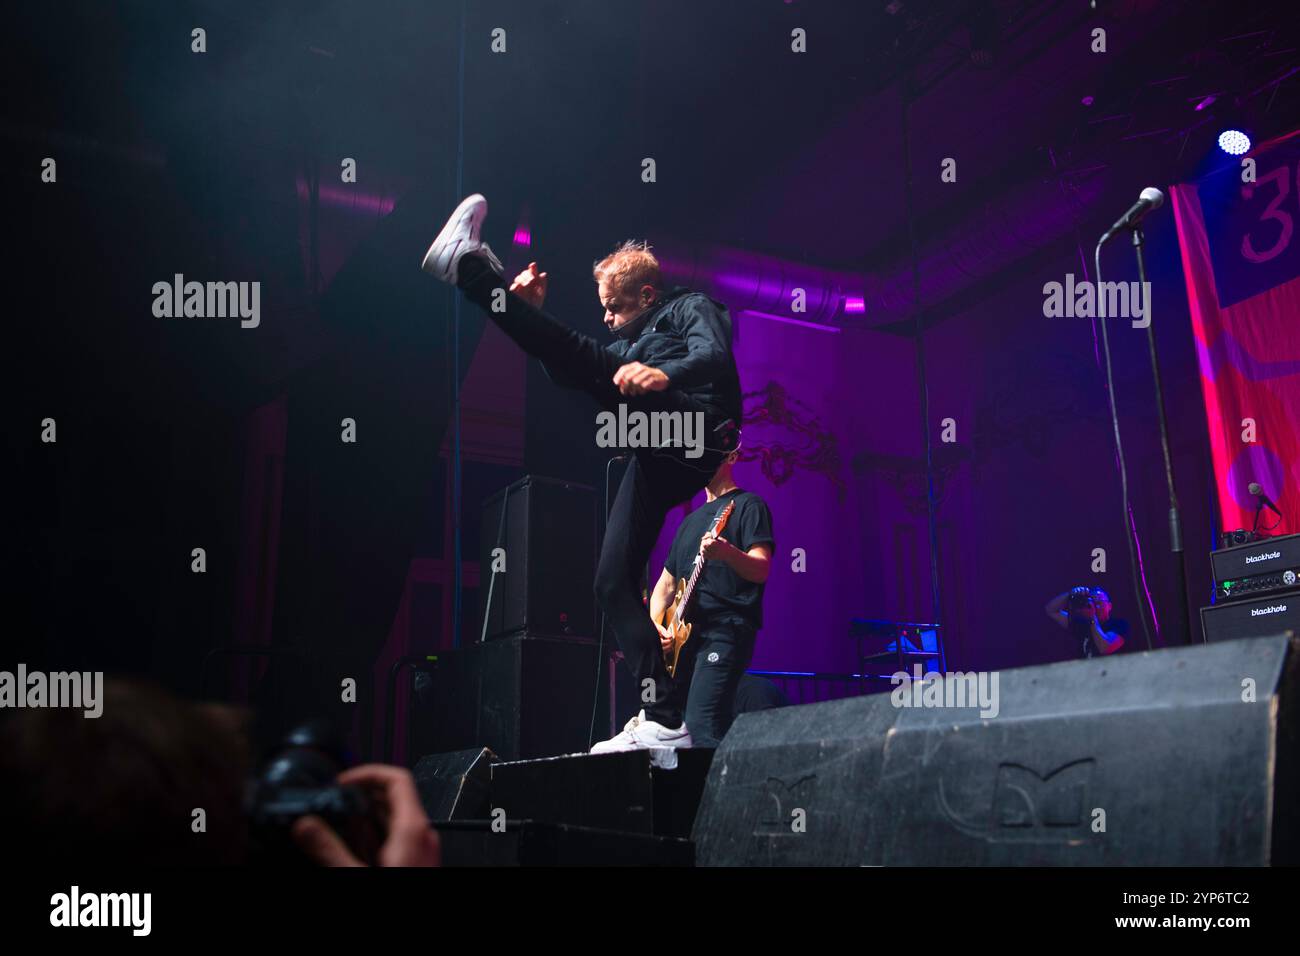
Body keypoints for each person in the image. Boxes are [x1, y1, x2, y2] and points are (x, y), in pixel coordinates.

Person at [422, 194, 743, 749]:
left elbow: (714, 356)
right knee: (612, 582)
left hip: (698, 428)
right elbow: (573, 375)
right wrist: (535, 318)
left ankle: (472, 272)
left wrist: (664, 377)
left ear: (646, 295)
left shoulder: (691, 307)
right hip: (653, 450)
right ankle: (665, 718)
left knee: (593, 356)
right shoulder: (631, 343)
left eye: (614, 307)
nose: (607, 318)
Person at [593, 450, 772, 751]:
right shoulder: (688, 523)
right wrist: (654, 628)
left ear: (731, 457)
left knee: (702, 724)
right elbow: (665, 586)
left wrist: (727, 553)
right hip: (685, 644)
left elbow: (761, 567)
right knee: (675, 728)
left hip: (724, 630)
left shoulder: (747, 505)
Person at [1044, 586, 1128, 658]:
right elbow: (1051, 610)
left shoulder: (1119, 624)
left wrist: (1092, 618)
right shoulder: (1082, 624)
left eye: (1099, 601)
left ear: (1109, 606)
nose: (1095, 606)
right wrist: (1070, 594)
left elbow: (1104, 648)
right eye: (1093, 602)